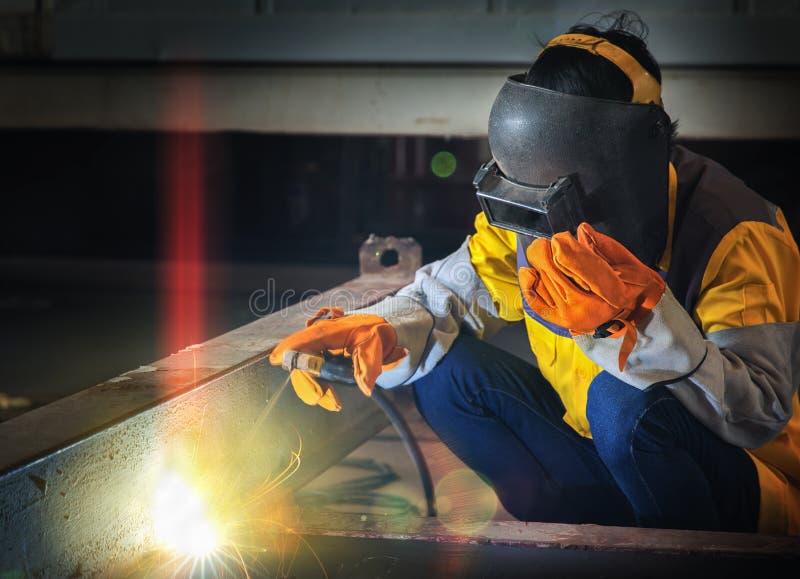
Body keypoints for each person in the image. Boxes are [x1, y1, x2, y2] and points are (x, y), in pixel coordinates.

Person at [271, 12, 800, 535]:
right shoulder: (530, 214)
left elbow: (756, 414)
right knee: (445, 375)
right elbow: (449, 300)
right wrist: (384, 327)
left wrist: (637, 328)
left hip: (737, 488)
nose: (545, 218)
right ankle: (581, 544)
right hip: (602, 458)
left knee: (622, 402)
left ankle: (670, 559)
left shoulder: (735, 233)